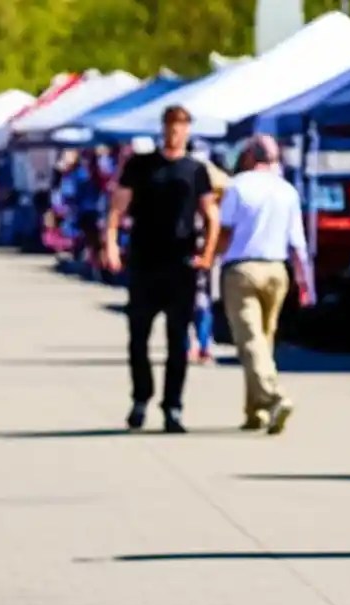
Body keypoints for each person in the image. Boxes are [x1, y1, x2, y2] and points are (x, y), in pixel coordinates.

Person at [102, 105, 219, 433]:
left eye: (180, 127)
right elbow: (117, 207)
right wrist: (111, 243)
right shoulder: (140, 165)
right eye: (170, 126)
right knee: (138, 336)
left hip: (180, 263)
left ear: (188, 131)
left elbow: (211, 215)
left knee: (177, 340)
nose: (174, 132)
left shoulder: (196, 170)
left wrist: (207, 254)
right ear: (162, 129)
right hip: (144, 260)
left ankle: (173, 406)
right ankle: (141, 397)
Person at [196, 134, 312, 434]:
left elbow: (224, 231)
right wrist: (305, 282)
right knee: (263, 342)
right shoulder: (287, 191)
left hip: (241, 269)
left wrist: (211, 258)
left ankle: (274, 397)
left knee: (249, 342)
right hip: (277, 269)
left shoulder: (238, 186)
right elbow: (298, 242)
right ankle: (255, 411)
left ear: (248, 156)